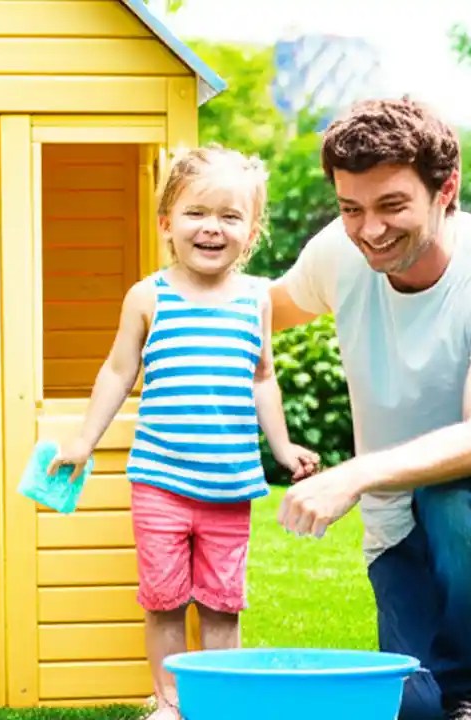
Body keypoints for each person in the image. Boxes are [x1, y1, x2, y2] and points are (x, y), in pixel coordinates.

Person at [269, 98, 471, 720]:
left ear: (446, 188)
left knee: (449, 490)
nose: (370, 230)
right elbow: (262, 313)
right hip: (396, 527)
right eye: (351, 208)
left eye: (392, 206)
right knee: (409, 707)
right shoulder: (339, 252)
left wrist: (353, 473)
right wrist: (165, 308)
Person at [48, 146, 319, 720]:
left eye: (230, 216)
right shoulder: (149, 297)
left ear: (252, 231)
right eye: (197, 213)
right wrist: (82, 441)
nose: (212, 228)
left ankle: (221, 706)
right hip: (160, 484)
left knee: (222, 608)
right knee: (165, 604)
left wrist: (283, 446)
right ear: (167, 222)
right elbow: (118, 371)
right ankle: (171, 705)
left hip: (229, 488)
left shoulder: (255, 301)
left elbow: (262, 379)